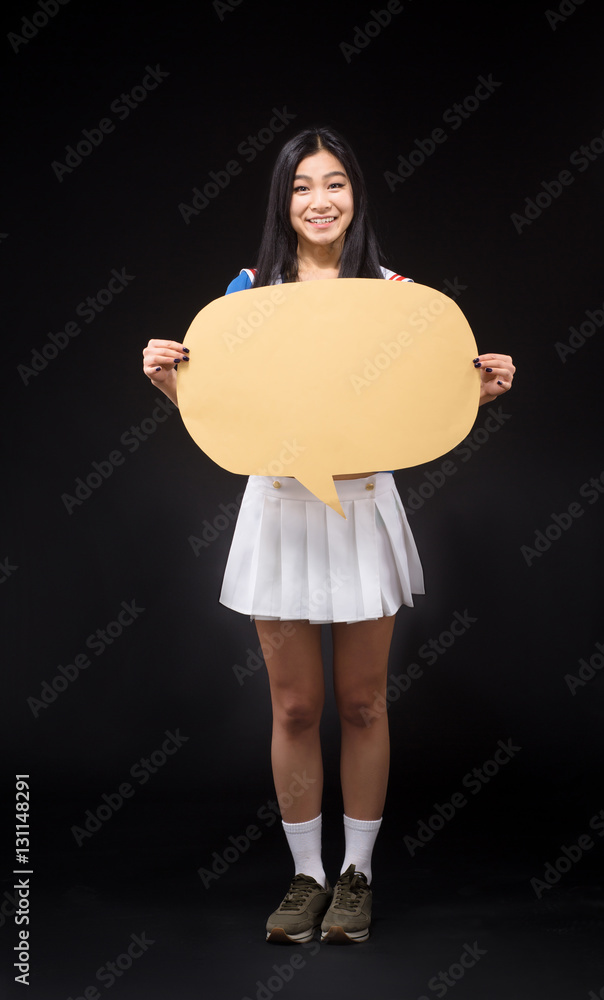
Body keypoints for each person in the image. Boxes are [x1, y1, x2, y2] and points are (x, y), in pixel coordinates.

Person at [142, 126, 515, 945]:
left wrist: (475, 394)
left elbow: (419, 408)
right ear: (283, 200)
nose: (320, 200)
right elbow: (229, 419)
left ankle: (357, 875)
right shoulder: (247, 298)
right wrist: (173, 383)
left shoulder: (393, 295)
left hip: (361, 510)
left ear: (356, 196)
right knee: (294, 705)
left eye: (336, 183)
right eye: (303, 185)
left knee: (362, 701)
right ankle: (306, 874)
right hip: (278, 510)